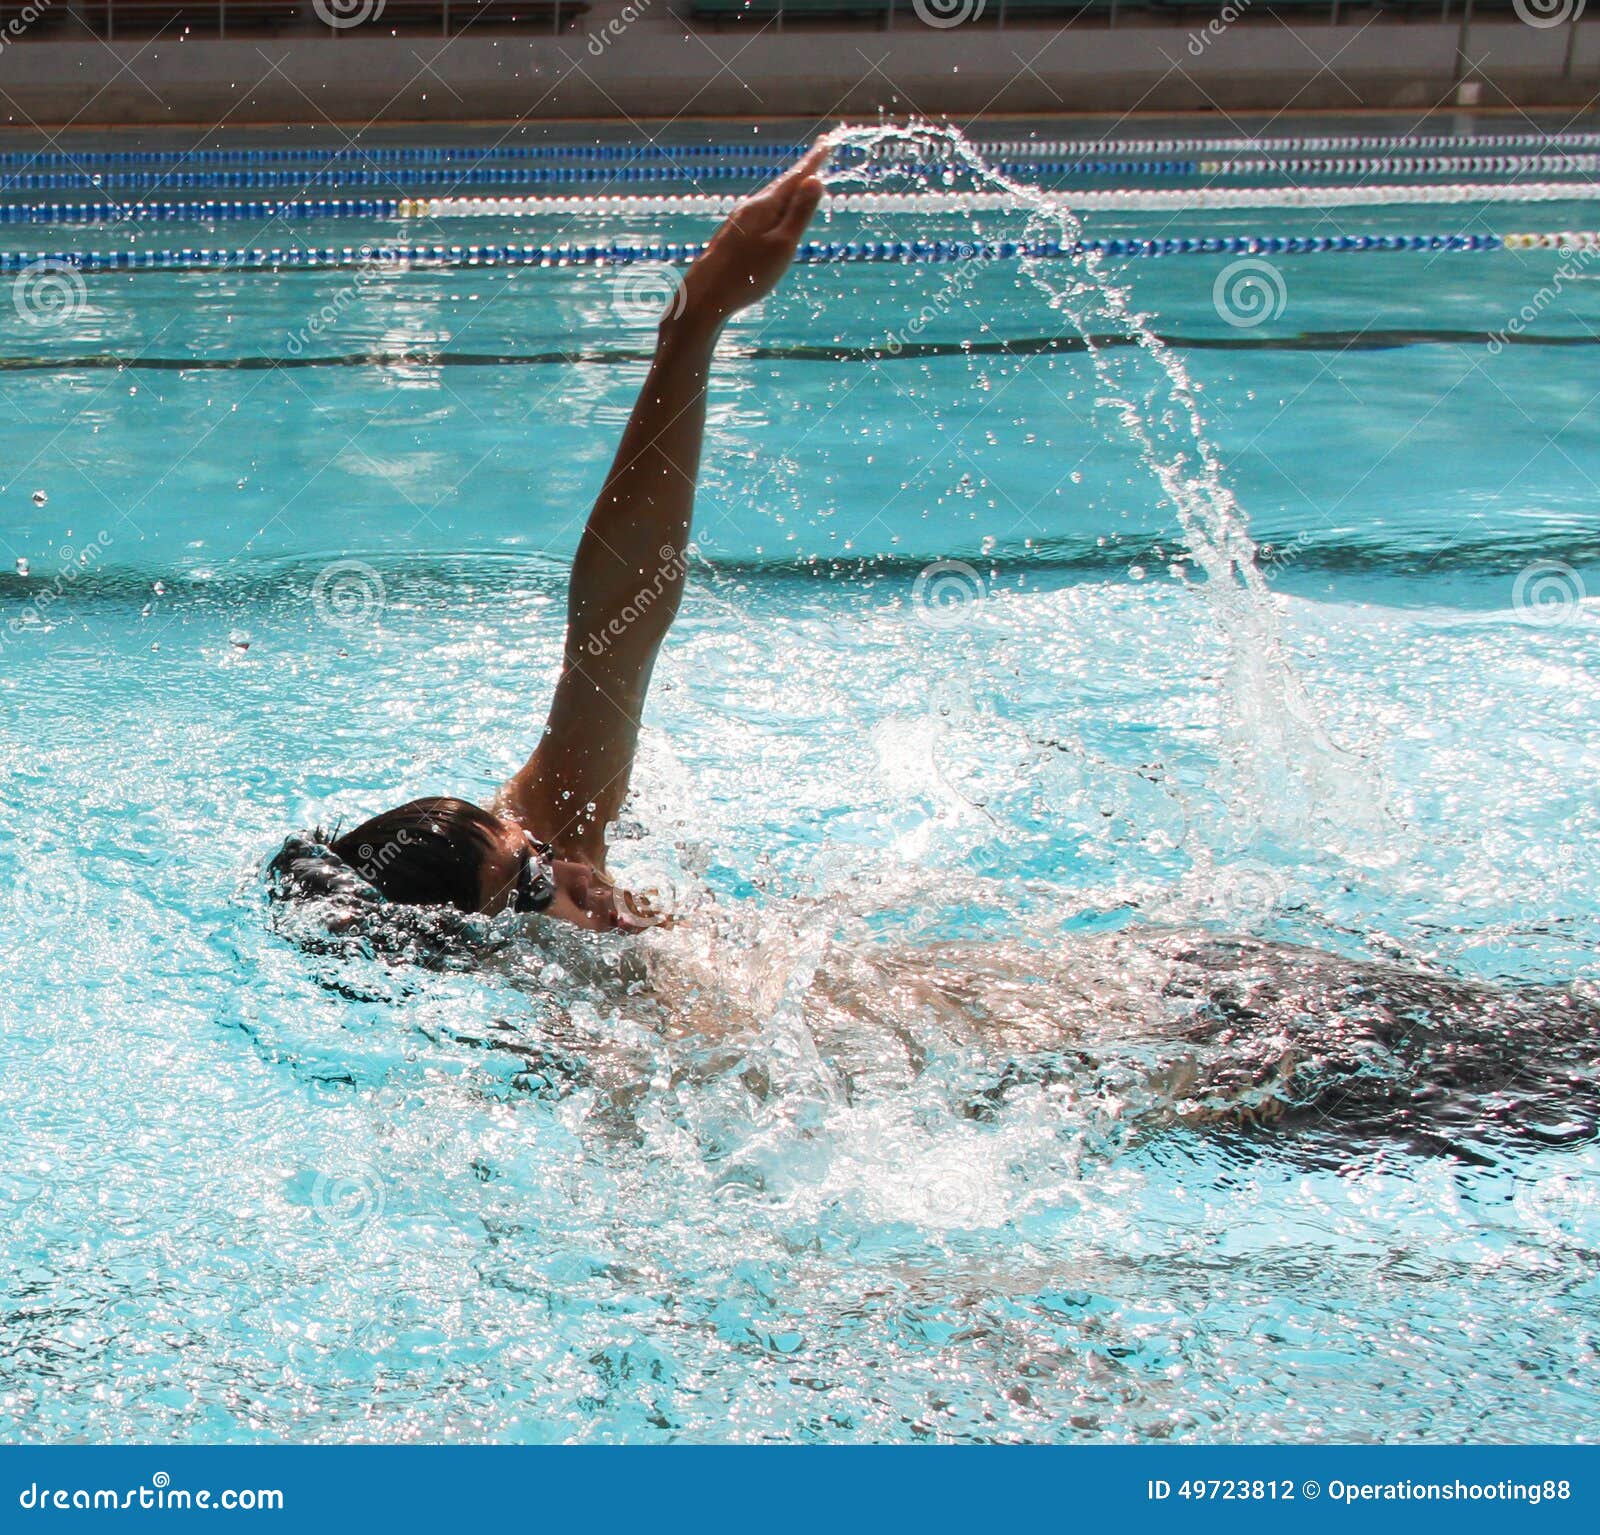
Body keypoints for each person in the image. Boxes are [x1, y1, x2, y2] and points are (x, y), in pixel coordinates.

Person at [272, 143, 829, 933]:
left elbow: (616, 620)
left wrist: (693, 322)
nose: (572, 868)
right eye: (531, 886)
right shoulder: (537, 1033)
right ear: (471, 946)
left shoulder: (558, 850)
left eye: (535, 847)